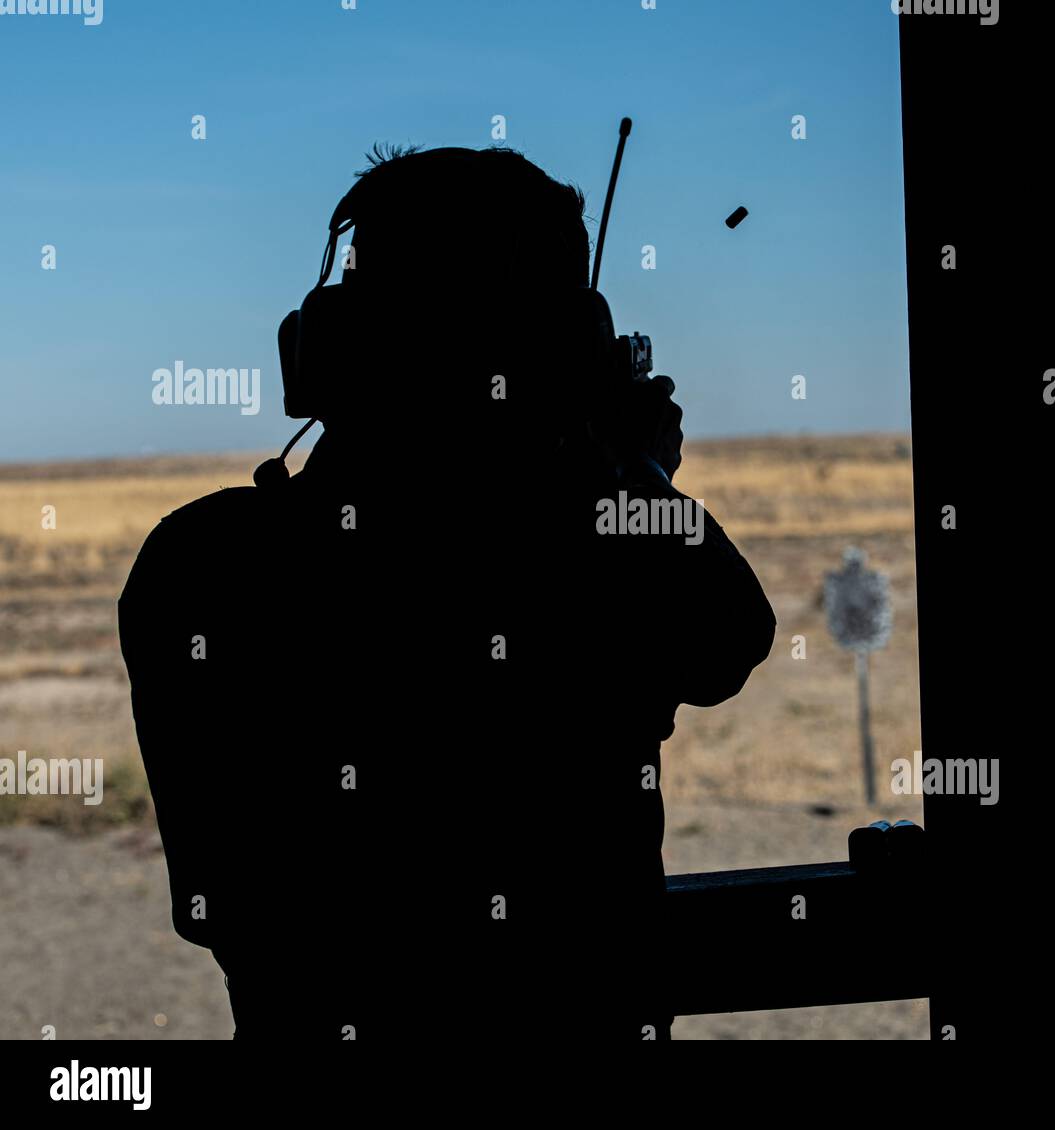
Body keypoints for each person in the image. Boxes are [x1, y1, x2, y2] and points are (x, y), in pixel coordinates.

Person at [119, 144, 776, 1040]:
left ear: (327, 339)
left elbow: (222, 902)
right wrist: (633, 472)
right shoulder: (595, 548)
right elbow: (729, 638)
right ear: (564, 350)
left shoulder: (198, 561)